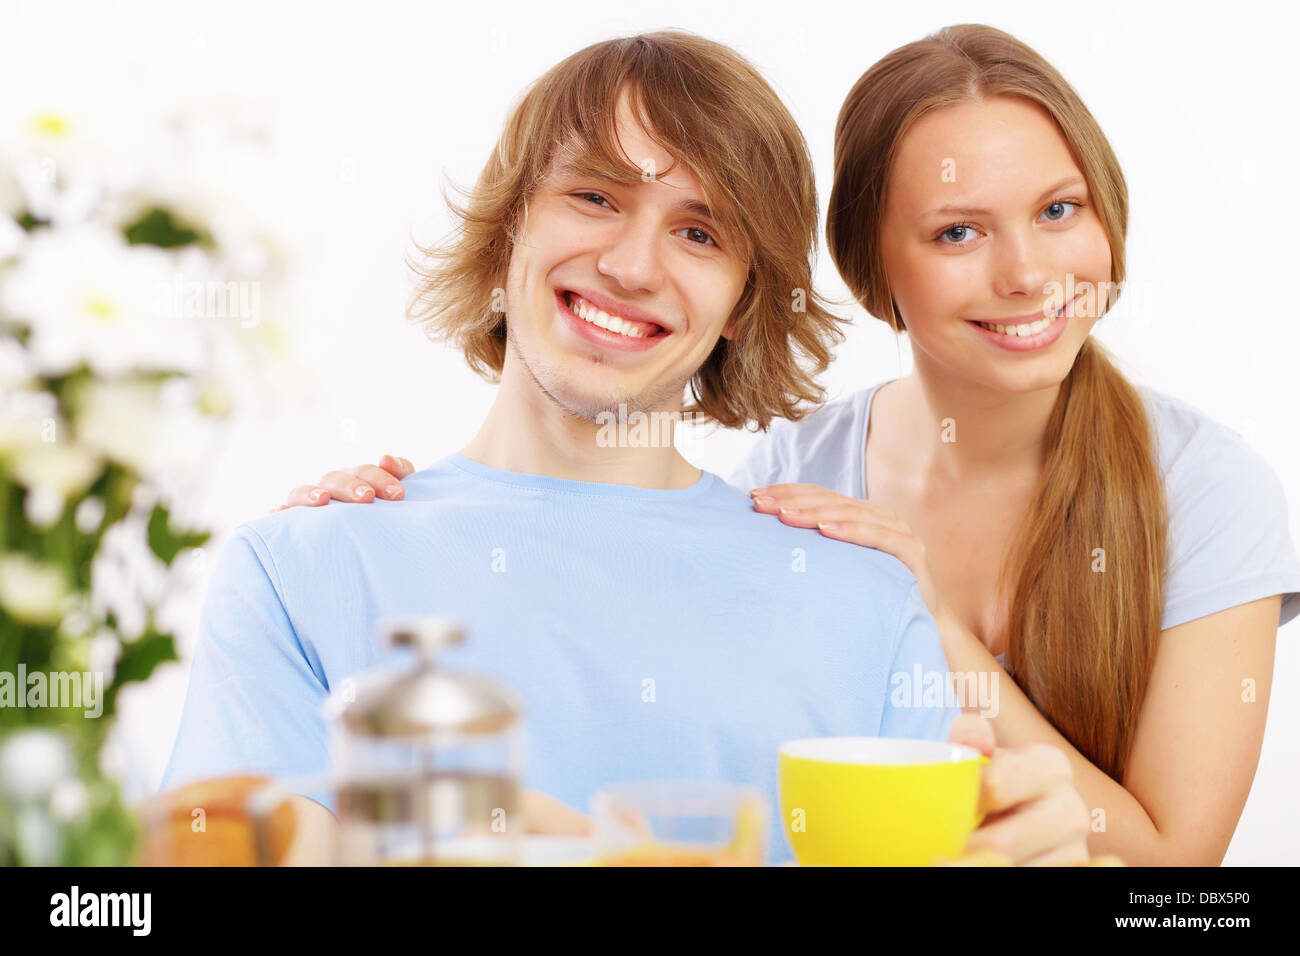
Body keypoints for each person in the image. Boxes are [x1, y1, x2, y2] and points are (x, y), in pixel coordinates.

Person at [289, 25, 1300, 865]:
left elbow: (1174, 882)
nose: (1028, 271)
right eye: (957, 231)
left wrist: (934, 621)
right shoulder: (787, 484)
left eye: (1058, 210)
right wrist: (398, 519)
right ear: (874, 270)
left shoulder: (1205, 489)